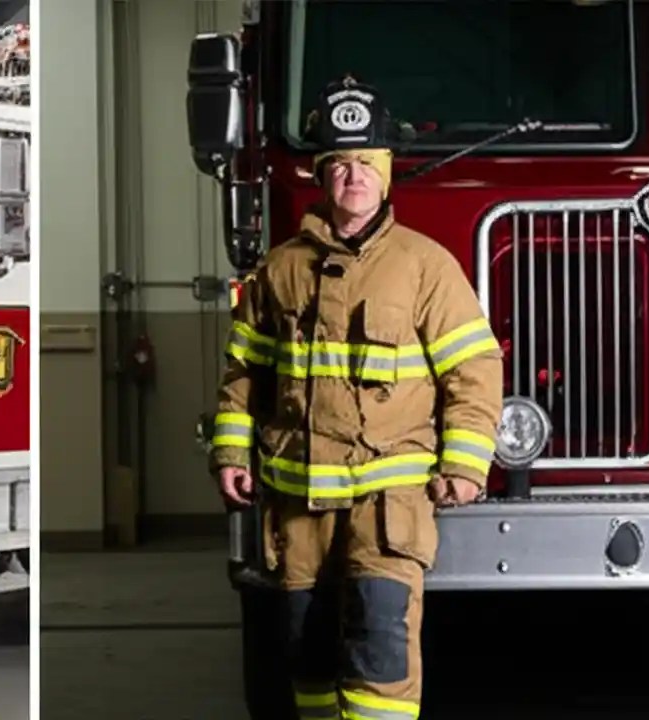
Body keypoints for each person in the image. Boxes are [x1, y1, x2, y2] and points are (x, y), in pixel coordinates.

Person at [209, 77, 502, 719]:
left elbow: (474, 367)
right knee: (305, 648)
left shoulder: (426, 267)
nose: (354, 176)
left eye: (367, 162)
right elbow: (242, 375)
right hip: (297, 505)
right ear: (322, 175)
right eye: (340, 163)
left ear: (387, 173)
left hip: (387, 506)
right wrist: (231, 454)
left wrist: (464, 462)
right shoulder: (278, 271)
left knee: (381, 644)